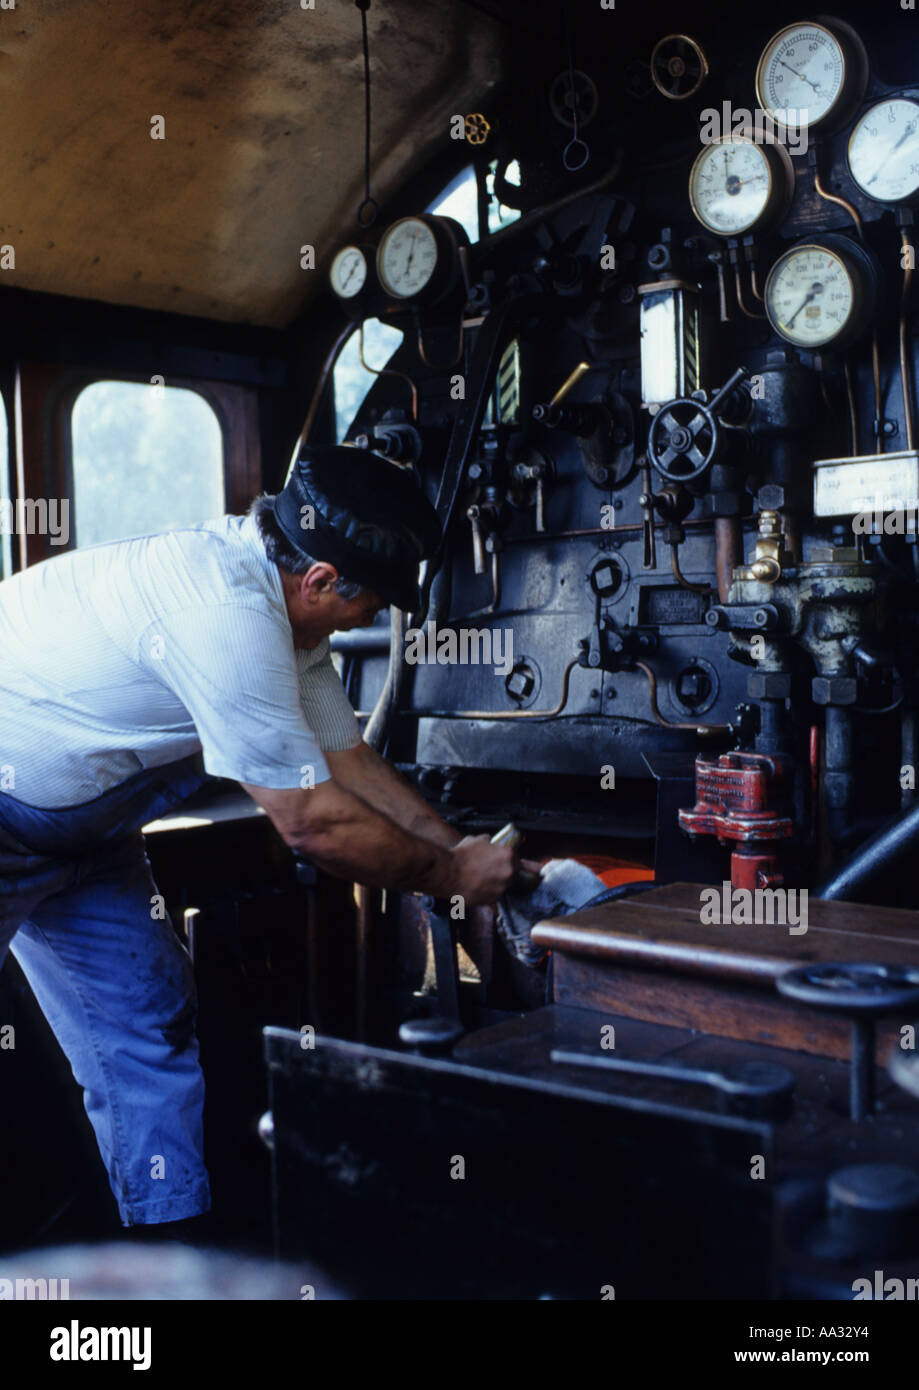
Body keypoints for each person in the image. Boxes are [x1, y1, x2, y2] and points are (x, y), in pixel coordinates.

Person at [0, 444, 517, 1230]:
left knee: (149, 1027)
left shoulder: (289, 626)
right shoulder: (227, 616)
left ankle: (170, 1255)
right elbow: (310, 822)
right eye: (371, 605)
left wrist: (463, 852)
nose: (371, 621)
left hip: (85, 835)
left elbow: (347, 763)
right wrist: (449, 881)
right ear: (317, 581)